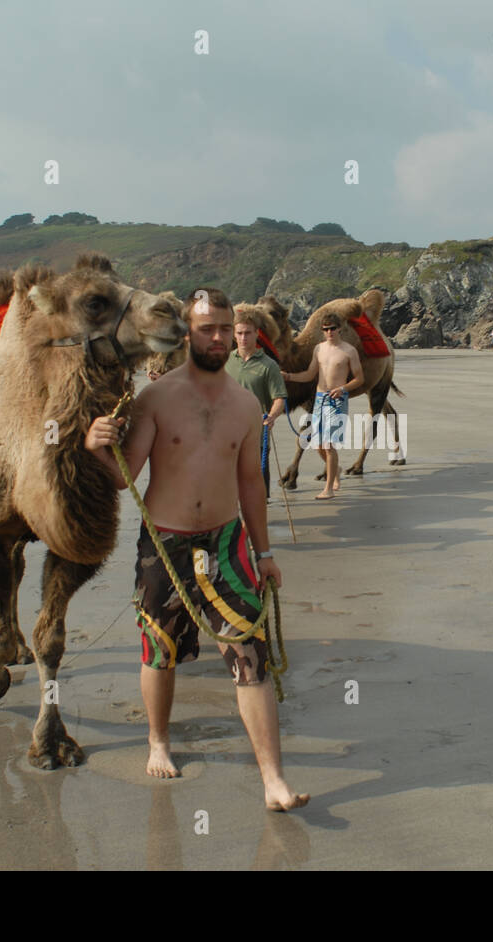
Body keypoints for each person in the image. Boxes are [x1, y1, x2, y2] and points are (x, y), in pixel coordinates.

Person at [83, 287, 308, 811]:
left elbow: (251, 482)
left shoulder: (246, 404)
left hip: (227, 543)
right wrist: (96, 447)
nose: (217, 337)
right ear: (188, 331)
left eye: (225, 329)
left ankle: (273, 779)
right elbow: (124, 478)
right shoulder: (156, 399)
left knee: (251, 653)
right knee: (159, 648)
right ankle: (158, 741)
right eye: (207, 328)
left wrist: (265, 552)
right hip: (165, 544)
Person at [282, 318, 364, 500]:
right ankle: (335, 469)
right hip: (320, 399)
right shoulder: (319, 349)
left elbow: (359, 379)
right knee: (318, 443)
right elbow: (310, 374)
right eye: (325, 329)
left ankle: (329, 489)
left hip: (337, 401)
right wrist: (289, 377)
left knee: (328, 444)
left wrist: (343, 389)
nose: (329, 332)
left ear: (339, 329)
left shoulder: (349, 351)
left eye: (332, 329)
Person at [224, 311, 286, 501]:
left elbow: (279, 398)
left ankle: (260, 513)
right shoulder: (225, 362)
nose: (243, 337)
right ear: (234, 334)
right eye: (240, 333)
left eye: (248, 333)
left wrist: (272, 416)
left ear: (257, 333)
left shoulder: (269, 366)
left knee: (257, 482)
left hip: (257, 432)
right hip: (227, 432)